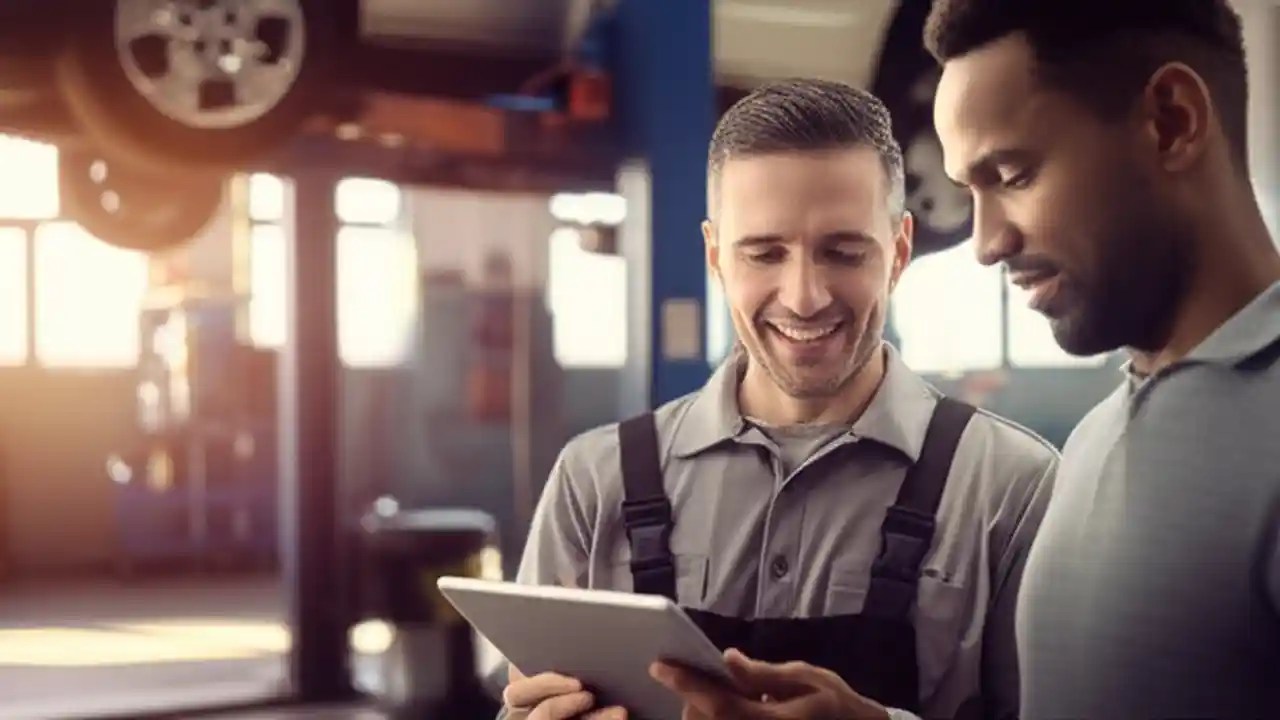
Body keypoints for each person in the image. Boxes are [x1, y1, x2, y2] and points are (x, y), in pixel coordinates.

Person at [655, 1, 1280, 718]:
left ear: (1171, 122)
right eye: (969, 191)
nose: (985, 243)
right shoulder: (1096, 441)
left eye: (1012, 175)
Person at [500, 78, 1060, 720]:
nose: (804, 297)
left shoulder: (1011, 492)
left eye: (843, 252)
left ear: (899, 252)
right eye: (764, 253)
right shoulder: (593, 484)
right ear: (715, 257)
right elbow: (524, 702)